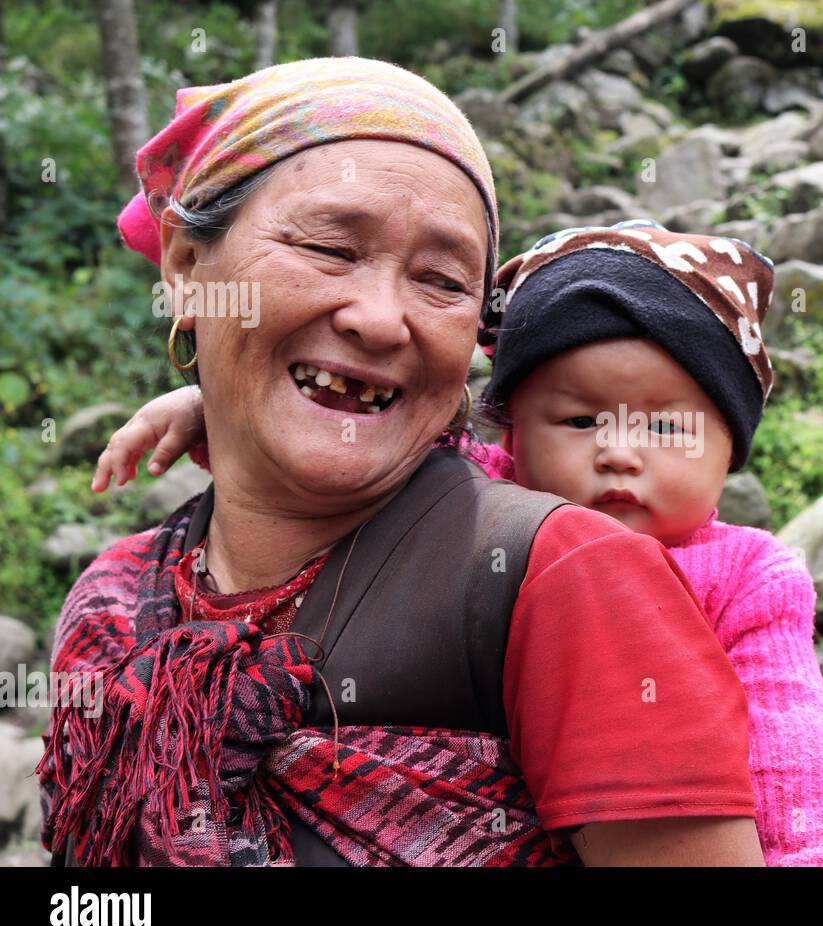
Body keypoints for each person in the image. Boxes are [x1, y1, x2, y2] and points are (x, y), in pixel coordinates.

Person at [38, 56, 763, 867]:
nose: (383, 321)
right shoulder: (112, 605)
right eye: (329, 247)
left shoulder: (566, 579)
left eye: (443, 281)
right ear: (185, 267)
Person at [94, 221, 823, 866]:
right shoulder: (483, 505)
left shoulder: (748, 578)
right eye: (580, 421)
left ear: (730, 451)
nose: (621, 452)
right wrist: (210, 405)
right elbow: (346, 443)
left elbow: (794, 764)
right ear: (513, 433)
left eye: (666, 427)